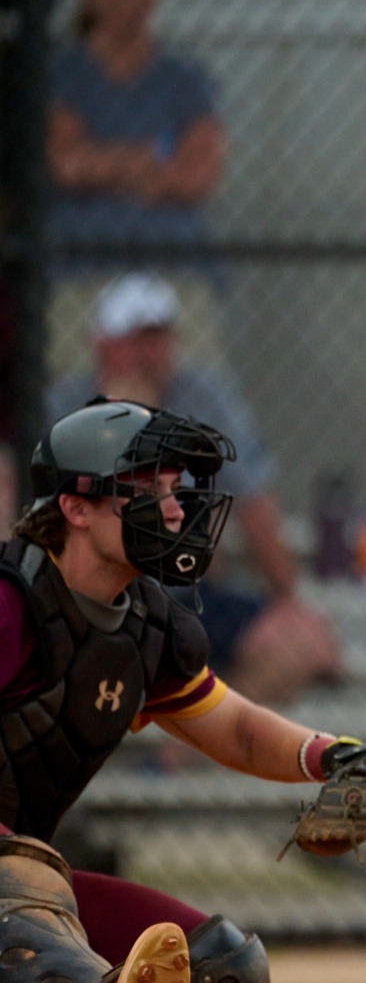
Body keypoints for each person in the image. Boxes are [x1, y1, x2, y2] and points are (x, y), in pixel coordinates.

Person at [0, 401, 366, 983]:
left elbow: (236, 728)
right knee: (22, 879)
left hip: (19, 892)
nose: (174, 509)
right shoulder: (12, 604)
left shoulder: (142, 629)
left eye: (173, 489)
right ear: (76, 506)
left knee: (219, 968)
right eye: (144, 490)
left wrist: (340, 757)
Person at [47, 275, 339, 705]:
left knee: (310, 645)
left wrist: (287, 599)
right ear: (103, 344)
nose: (151, 354)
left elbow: (256, 506)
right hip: (92, 602)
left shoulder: (203, 397)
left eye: (160, 338)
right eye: (137, 339)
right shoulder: (63, 406)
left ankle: (178, 756)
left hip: (187, 600)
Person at [47, 0, 223, 252]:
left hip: (172, 250)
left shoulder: (185, 77)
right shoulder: (63, 73)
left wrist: (104, 164)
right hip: (81, 251)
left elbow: (199, 174)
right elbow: (66, 164)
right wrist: (150, 162)